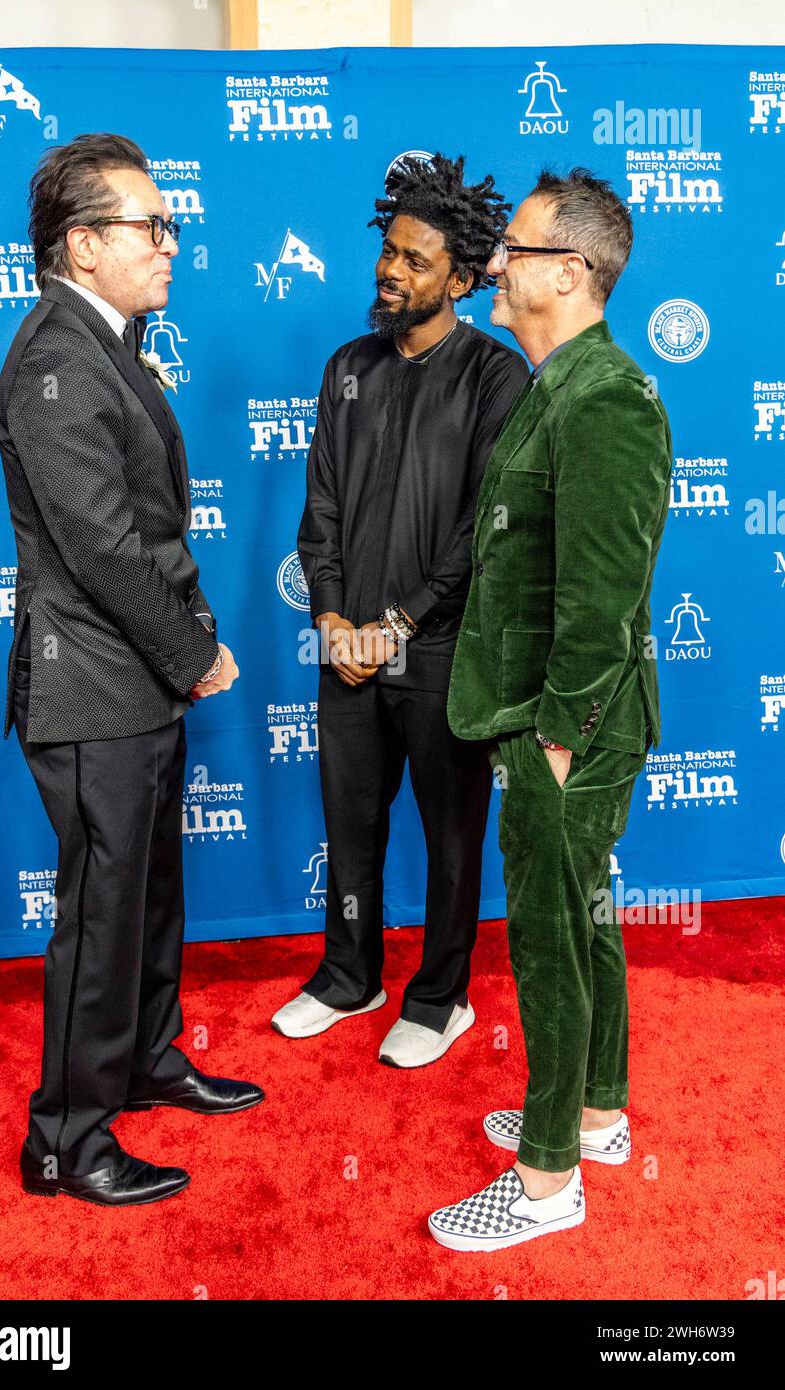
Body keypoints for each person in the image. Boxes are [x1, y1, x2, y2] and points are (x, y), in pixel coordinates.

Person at [0, 133, 263, 1208]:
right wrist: (194, 651)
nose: (170, 245)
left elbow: (146, 528)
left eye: (168, 225)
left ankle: (147, 1059)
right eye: (152, 227)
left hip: (133, 681)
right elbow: (103, 545)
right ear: (84, 243)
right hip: (94, 687)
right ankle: (64, 1138)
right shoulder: (58, 357)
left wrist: (180, 648)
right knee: (100, 918)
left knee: (148, 895)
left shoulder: (112, 340)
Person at [428, 168, 672, 1251]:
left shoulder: (606, 397)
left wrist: (559, 737)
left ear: (568, 273)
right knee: (581, 914)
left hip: (567, 721)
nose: (489, 265)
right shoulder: (557, 383)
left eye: (512, 251)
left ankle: (544, 1180)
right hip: (546, 712)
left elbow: (601, 601)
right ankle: (598, 1112)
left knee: (546, 937)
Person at [271, 154, 529, 1067]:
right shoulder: (349, 366)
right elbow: (323, 506)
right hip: (347, 648)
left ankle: (441, 995)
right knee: (351, 821)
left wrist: (403, 622)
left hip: (442, 651)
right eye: (390, 252)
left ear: (460, 279)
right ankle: (350, 975)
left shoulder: (496, 376)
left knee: (452, 833)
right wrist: (334, 617)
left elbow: (481, 529)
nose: (393, 271)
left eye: (417, 261)